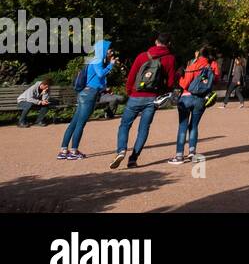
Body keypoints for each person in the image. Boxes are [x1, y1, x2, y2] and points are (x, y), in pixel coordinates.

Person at [112, 33, 176, 168]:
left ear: (156, 41)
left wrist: (130, 92)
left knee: (124, 125)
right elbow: (170, 83)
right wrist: (161, 93)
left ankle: (121, 150)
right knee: (143, 129)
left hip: (135, 96)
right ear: (169, 44)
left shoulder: (142, 56)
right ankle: (133, 159)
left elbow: (131, 77)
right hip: (152, 98)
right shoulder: (170, 59)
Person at [57, 40, 116, 159]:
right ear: (103, 50)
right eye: (109, 49)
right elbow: (100, 74)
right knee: (80, 124)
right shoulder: (98, 60)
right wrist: (111, 65)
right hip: (89, 95)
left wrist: (104, 89)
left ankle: (63, 151)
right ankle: (74, 152)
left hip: (85, 93)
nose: (111, 51)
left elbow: (95, 79)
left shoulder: (94, 60)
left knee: (74, 123)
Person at [170, 46, 219, 165]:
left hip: (187, 97)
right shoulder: (213, 65)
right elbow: (215, 80)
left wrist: (181, 77)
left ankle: (179, 156)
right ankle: (192, 152)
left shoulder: (193, 64)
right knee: (194, 125)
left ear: (199, 54)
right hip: (201, 99)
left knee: (183, 126)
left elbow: (185, 83)